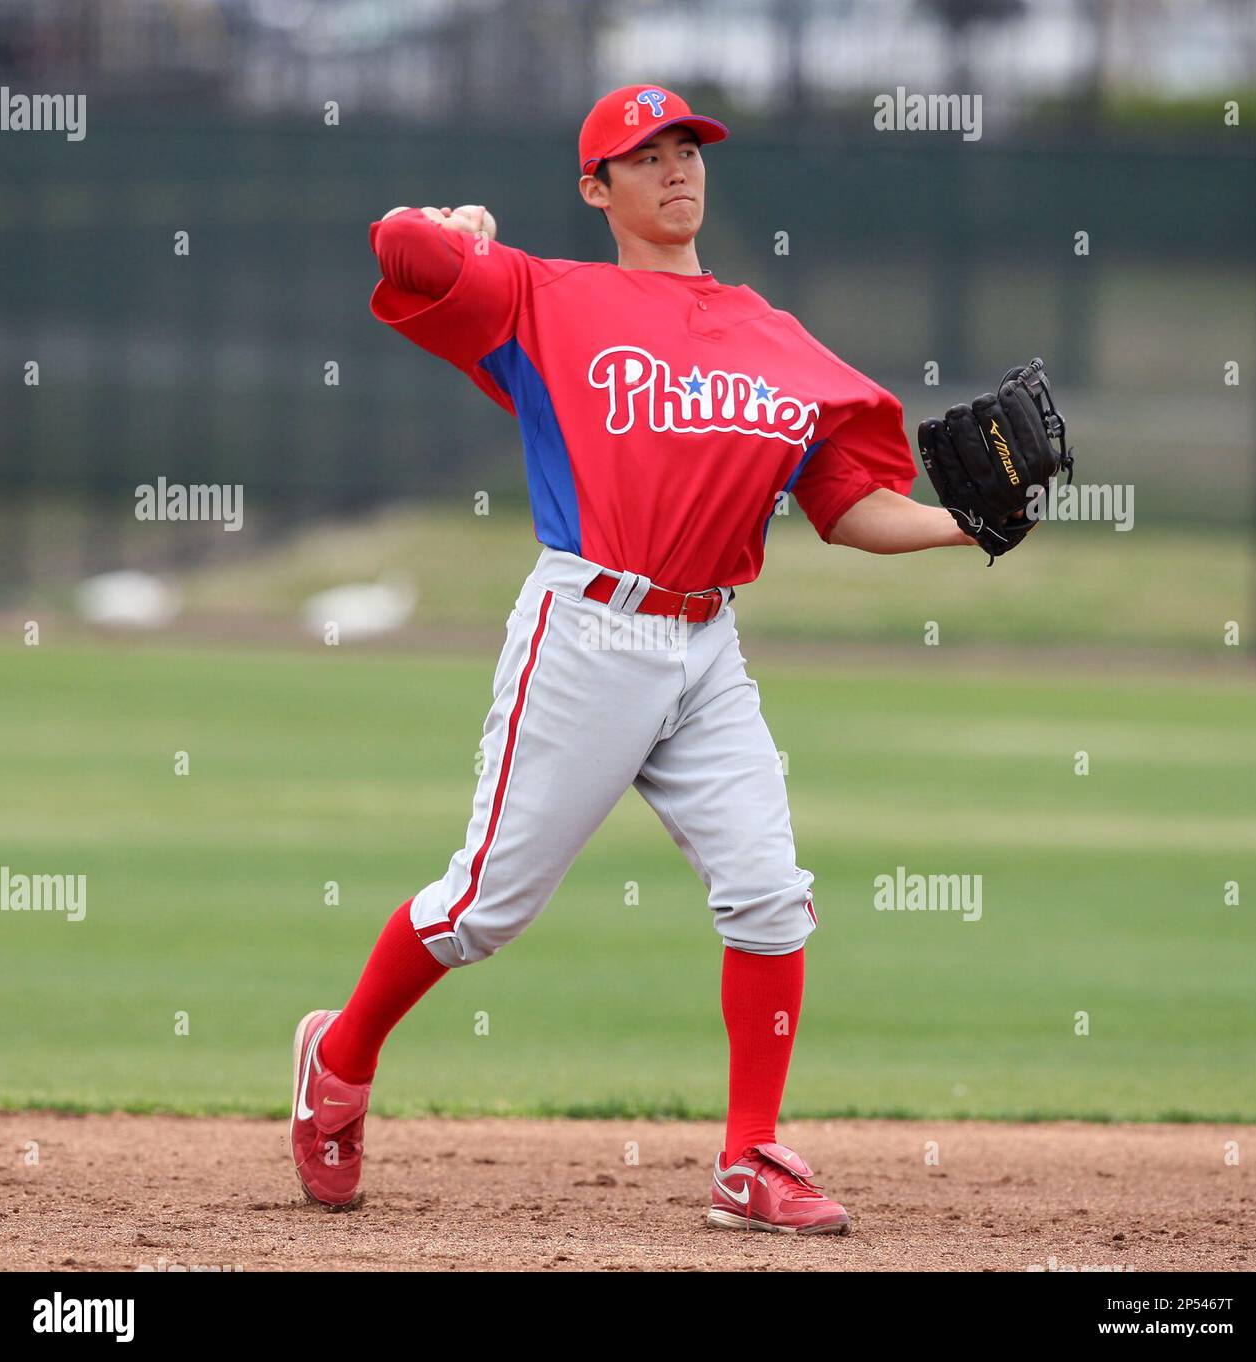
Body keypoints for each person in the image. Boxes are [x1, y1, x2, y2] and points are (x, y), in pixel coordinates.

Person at [291, 84, 975, 1235]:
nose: (675, 171)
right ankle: (339, 1061)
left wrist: (971, 524)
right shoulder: (548, 297)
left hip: (708, 640)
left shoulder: (773, 336)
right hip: (589, 628)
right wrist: (462, 238)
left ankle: (748, 1159)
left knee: (768, 894)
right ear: (594, 187)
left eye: (687, 150)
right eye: (643, 155)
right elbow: (396, 250)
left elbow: (848, 502)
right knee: (481, 908)